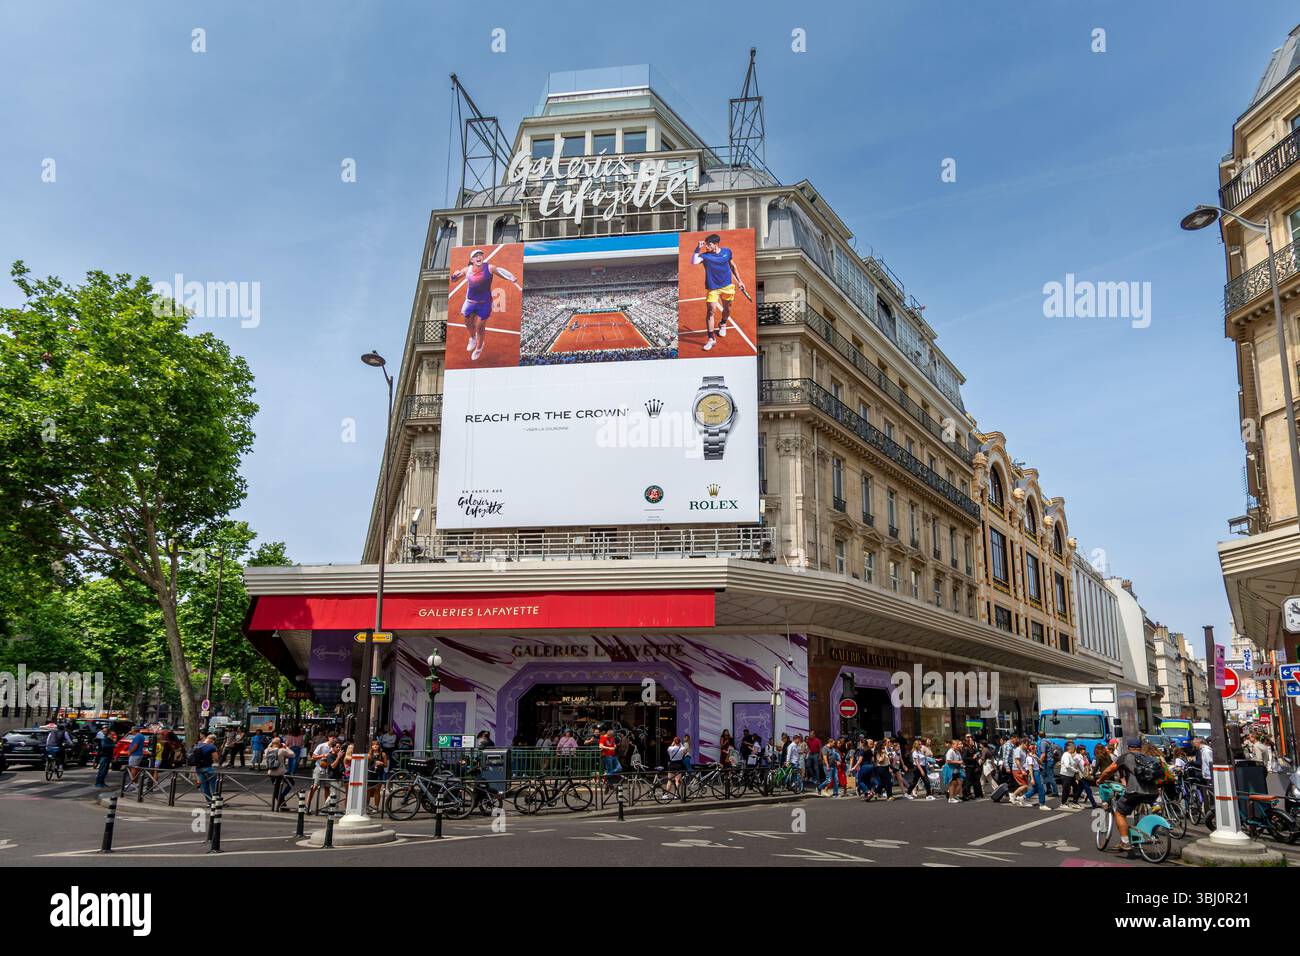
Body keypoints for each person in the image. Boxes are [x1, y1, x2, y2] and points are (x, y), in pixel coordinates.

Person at [450, 248, 521, 361]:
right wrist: (454, 275)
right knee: (467, 322)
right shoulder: (466, 270)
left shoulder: (489, 268)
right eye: (476, 256)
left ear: (482, 257)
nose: (479, 257)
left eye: (480, 255)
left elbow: (501, 272)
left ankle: (479, 347)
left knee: (480, 326)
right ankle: (472, 338)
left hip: (485, 302)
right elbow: (454, 280)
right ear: (472, 259)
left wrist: (511, 278)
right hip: (470, 302)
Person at [1097, 736, 1162, 857]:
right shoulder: (1149, 757)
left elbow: (1109, 770)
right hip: (1153, 792)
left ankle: (1125, 841)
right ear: (1140, 747)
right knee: (1142, 809)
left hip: (1135, 792)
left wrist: (1100, 780)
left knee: (1120, 812)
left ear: (1128, 747)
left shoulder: (1127, 757)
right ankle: (1143, 832)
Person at [690, 234, 748, 352]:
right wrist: (697, 248)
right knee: (711, 310)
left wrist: (740, 281)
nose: (706, 246)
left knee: (728, 308)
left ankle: (722, 323)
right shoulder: (705, 256)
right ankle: (711, 339)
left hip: (727, 286)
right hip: (713, 288)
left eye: (708, 244)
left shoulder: (727, 252)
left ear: (715, 244)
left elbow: (732, 266)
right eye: (705, 244)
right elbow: (694, 261)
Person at [306, 734, 335, 814]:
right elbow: (313, 757)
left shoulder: (334, 747)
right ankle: (307, 806)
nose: (333, 739)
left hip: (328, 770)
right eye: (332, 737)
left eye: (335, 738)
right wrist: (323, 756)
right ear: (329, 737)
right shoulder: (322, 746)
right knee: (314, 787)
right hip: (319, 768)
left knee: (327, 788)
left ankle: (326, 807)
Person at [265, 736, 296, 812]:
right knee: (291, 783)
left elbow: (268, 747)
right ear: (279, 743)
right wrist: (286, 747)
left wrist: (271, 744)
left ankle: (283, 806)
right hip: (281, 772)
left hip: (271, 772)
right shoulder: (281, 750)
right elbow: (293, 754)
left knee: (276, 789)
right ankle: (282, 796)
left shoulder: (267, 750)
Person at [192, 734, 220, 805]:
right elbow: (216, 759)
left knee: (204, 786)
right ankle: (216, 802)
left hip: (198, 768)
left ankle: (209, 802)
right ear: (213, 741)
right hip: (208, 768)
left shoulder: (197, 745)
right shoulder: (211, 746)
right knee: (213, 785)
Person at [943, 739, 965, 803]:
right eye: (956, 744)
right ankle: (951, 798)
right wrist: (958, 762)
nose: (958, 746)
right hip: (951, 769)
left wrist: (961, 764)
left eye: (958, 744)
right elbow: (948, 761)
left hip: (957, 769)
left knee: (960, 783)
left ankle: (953, 796)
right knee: (953, 783)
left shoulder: (957, 751)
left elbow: (960, 759)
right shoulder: (950, 751)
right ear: (952, 745)